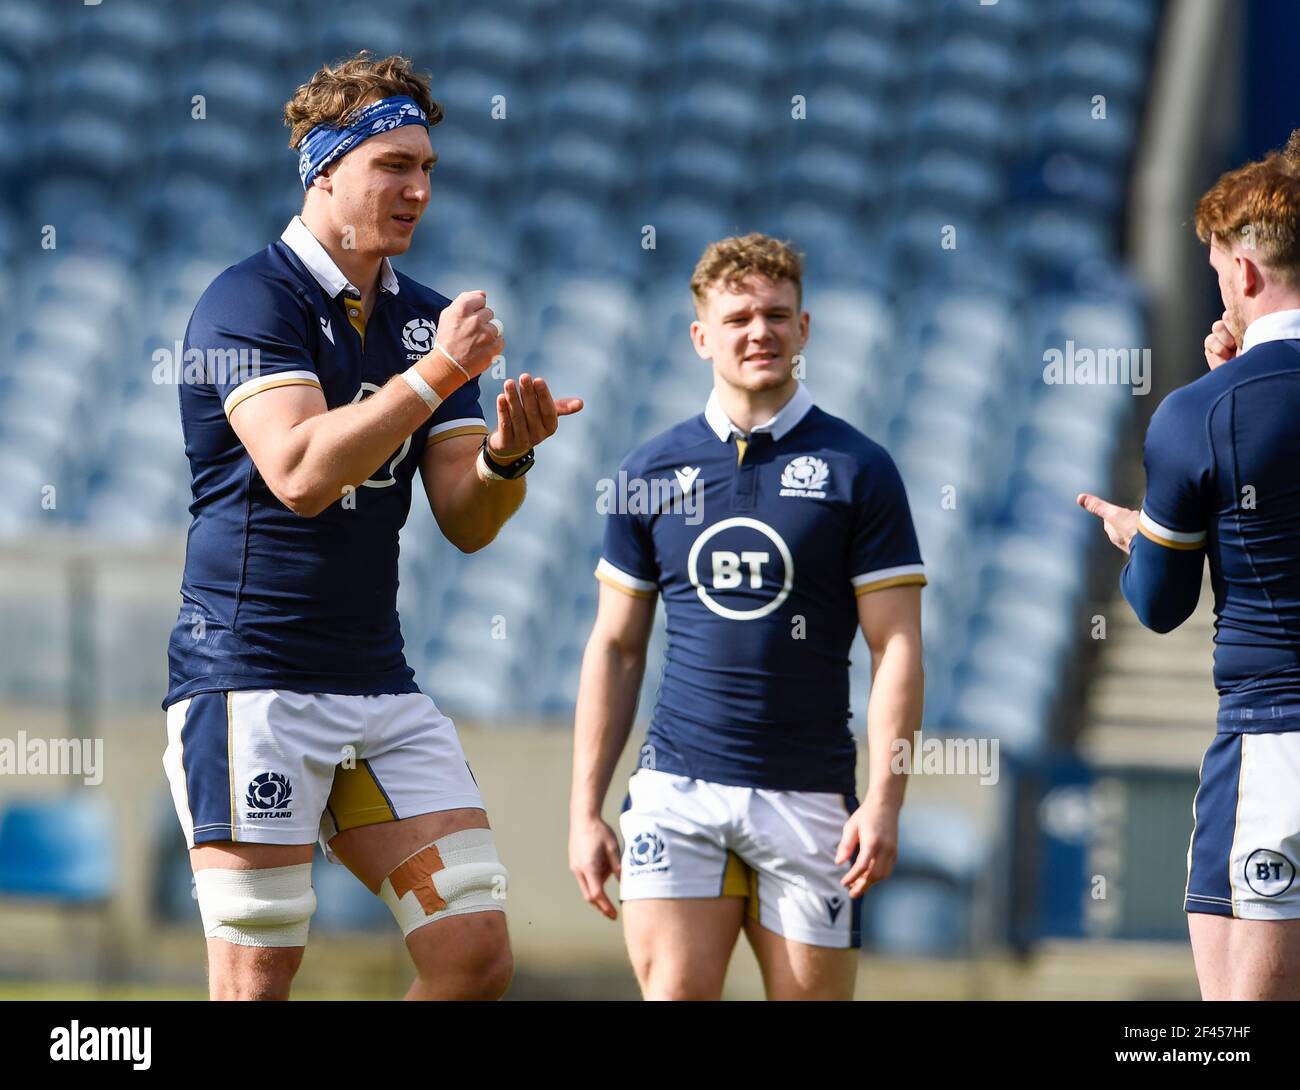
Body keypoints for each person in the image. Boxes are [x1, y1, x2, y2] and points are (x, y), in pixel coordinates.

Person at [161, 52, 581, 1000]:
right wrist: (433, 378)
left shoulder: (430, 322)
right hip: (251, 680)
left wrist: (509, 457)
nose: (419, 189)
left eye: (428, 169)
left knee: (473, 957)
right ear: (324, 169)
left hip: (377, 687)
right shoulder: (248, 301)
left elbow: (468, 522)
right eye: (394, 165)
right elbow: (301, 473)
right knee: (257, 981)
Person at [568, 234, 925, 1000]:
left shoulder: (859, 469)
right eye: (737, 318)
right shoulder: (648, 471)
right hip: (677, 790)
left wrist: (886, 801)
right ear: (701, 337)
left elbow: (895, 644)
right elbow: (616, 647)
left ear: (804, 328)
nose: (757, 331)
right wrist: (583, 810)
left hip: (810, 796)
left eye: (775, 314)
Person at [1079, 145, 1300, 1000]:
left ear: (1243, 271)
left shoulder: (1201, 414)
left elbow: (1164, 606)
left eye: (1215, 272)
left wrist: (1151, 540)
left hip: (1275, 738)